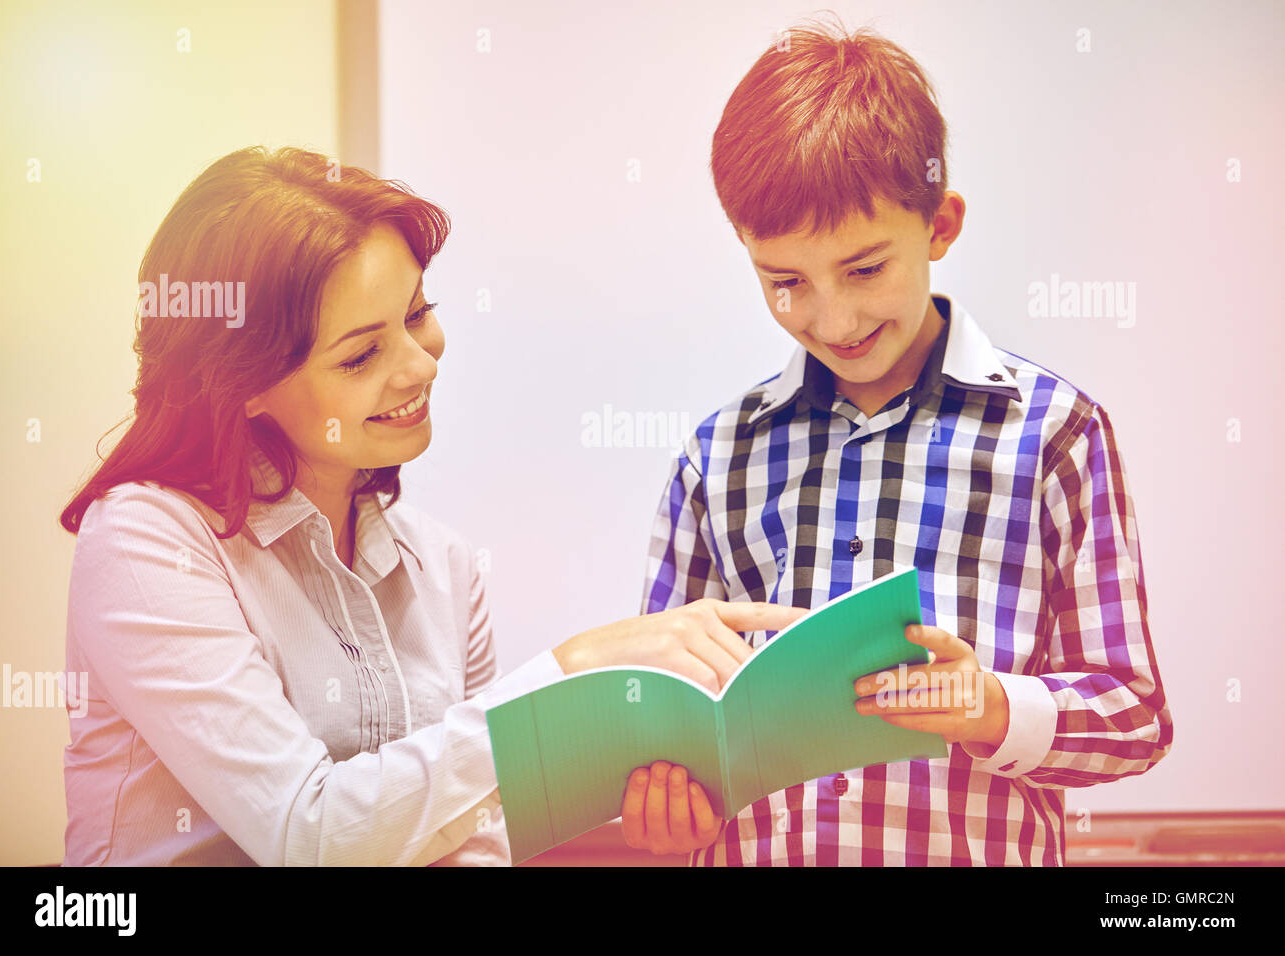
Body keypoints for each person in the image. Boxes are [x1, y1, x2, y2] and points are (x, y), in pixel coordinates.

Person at [58, 145, 803, 866]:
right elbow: (310, 839)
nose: (421, 364)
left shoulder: (442, 566)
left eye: (418, 314)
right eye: (359, 355)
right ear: (242, 385)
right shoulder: (144, 541)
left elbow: (473, 842)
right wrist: (572, 669)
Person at [619, 19, 1173, 864]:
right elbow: (658, 713)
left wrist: (990, 707)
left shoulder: (1057, 435)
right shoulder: (716, 456)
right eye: (786, 283)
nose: (832, 320)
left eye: (866, 268)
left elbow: (1133, 717)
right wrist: (668, 800)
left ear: (940, 226)